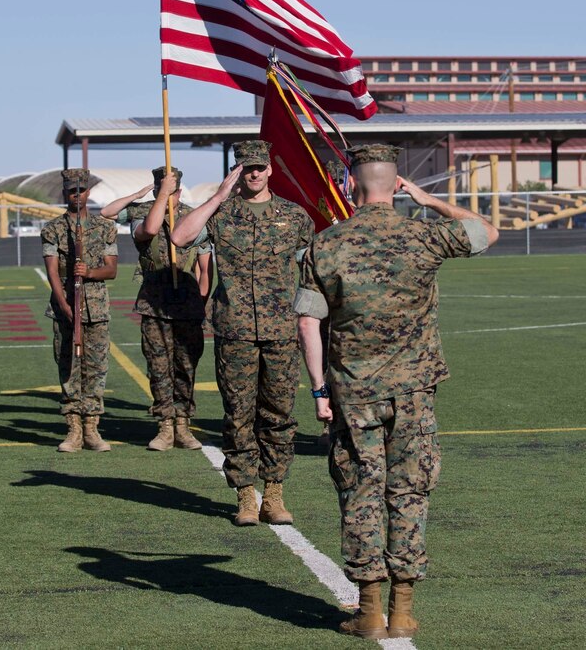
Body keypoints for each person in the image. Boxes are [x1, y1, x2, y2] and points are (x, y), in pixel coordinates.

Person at [295, 144, 499, 640]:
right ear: (395, 185)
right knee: (409, 492)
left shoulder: (326, 244)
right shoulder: (423, 235)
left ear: (351, 186)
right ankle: (403, 608)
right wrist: (430, 202)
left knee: (360, 491)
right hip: (413, 392)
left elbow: (307, 322)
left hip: (353, 394)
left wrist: (319, 390)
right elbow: (488, 232)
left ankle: (368, 610)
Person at [171, 140, 314, 526]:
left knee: (280, 415)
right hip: (234, 332)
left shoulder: (294, 216)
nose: (253, 173)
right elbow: (180, 238)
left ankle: (274, 493)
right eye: (246, 167)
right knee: (238, 416)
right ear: (237, 170)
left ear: (270, 169)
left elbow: (312, 267)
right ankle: (245, 496)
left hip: (282, 331)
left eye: (259, 167)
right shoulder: (222, 215)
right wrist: (218, 196)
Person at [103, 167, 212, 451]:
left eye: (173, 189)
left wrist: (201, 301)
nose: (169, 195)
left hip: (187, 304)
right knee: (159, 366)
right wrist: (146, 196)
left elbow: (205, 267)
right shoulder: (143, 213)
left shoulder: (194, 215)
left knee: (186, 366)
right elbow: (113, 215)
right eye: (162, 189)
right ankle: (165, 425)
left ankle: (183, 424)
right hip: (155, 303)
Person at [41, 168, 118, 452]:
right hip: (65, 309)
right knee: (69, 367)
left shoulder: (104, 227)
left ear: (88, 192)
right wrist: (64, 305)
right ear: (65, 193)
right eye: (72, 191)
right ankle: (73, 428)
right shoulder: (52, 229)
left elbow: (111, 270)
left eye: (81, 190)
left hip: (96, 308)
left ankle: (92, 428)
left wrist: (90, 272)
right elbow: (51, 272)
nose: (77, 196)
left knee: (96, 368)